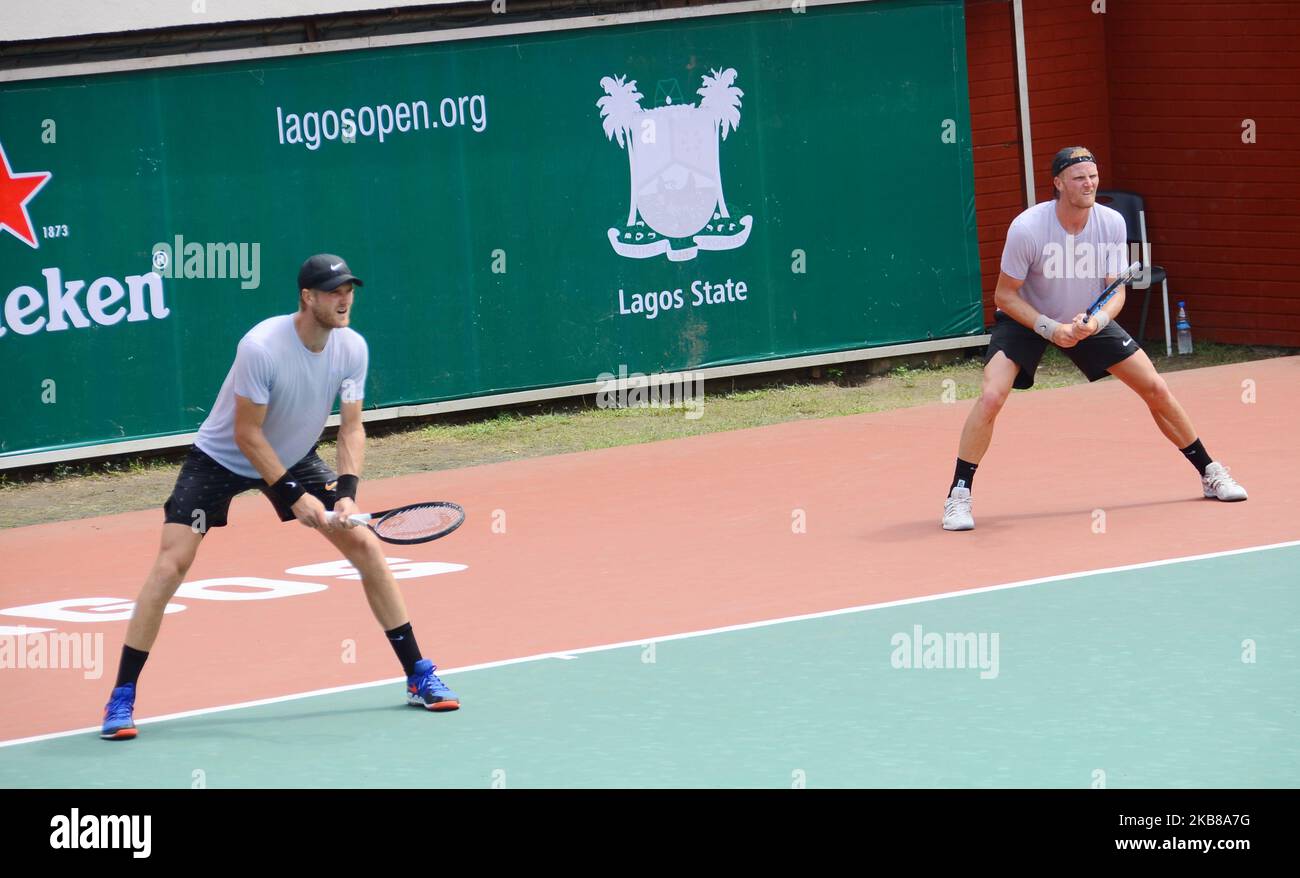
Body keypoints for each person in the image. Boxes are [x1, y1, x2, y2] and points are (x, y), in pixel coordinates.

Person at [101, 254, 459, 740]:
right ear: (307, 297)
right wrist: (295, 497)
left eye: (349, 289)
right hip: (221, 459)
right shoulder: (262, 347)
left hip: (295, 455)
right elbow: (246, 434)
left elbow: (352, 427)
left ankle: (419, 673)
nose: (345, 298)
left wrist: (347, 494)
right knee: (171, 566)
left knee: (366, 547)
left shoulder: (352, 348)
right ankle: (122, 696)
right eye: (333, 291)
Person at [942, 147, 1247, 531]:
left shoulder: (1112, 223)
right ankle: (959, 494)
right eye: (1079, 178)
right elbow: (1004, 296)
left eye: (1092, 176)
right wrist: (1051, 329)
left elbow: (1116, 290)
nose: (1089, 184)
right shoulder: (1027, 228)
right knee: (991, 396)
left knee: (1155, 387)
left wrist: (1096, 320)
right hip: (1027, 319)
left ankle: (1210, 471)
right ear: (1058, 183)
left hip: (1088, 317)